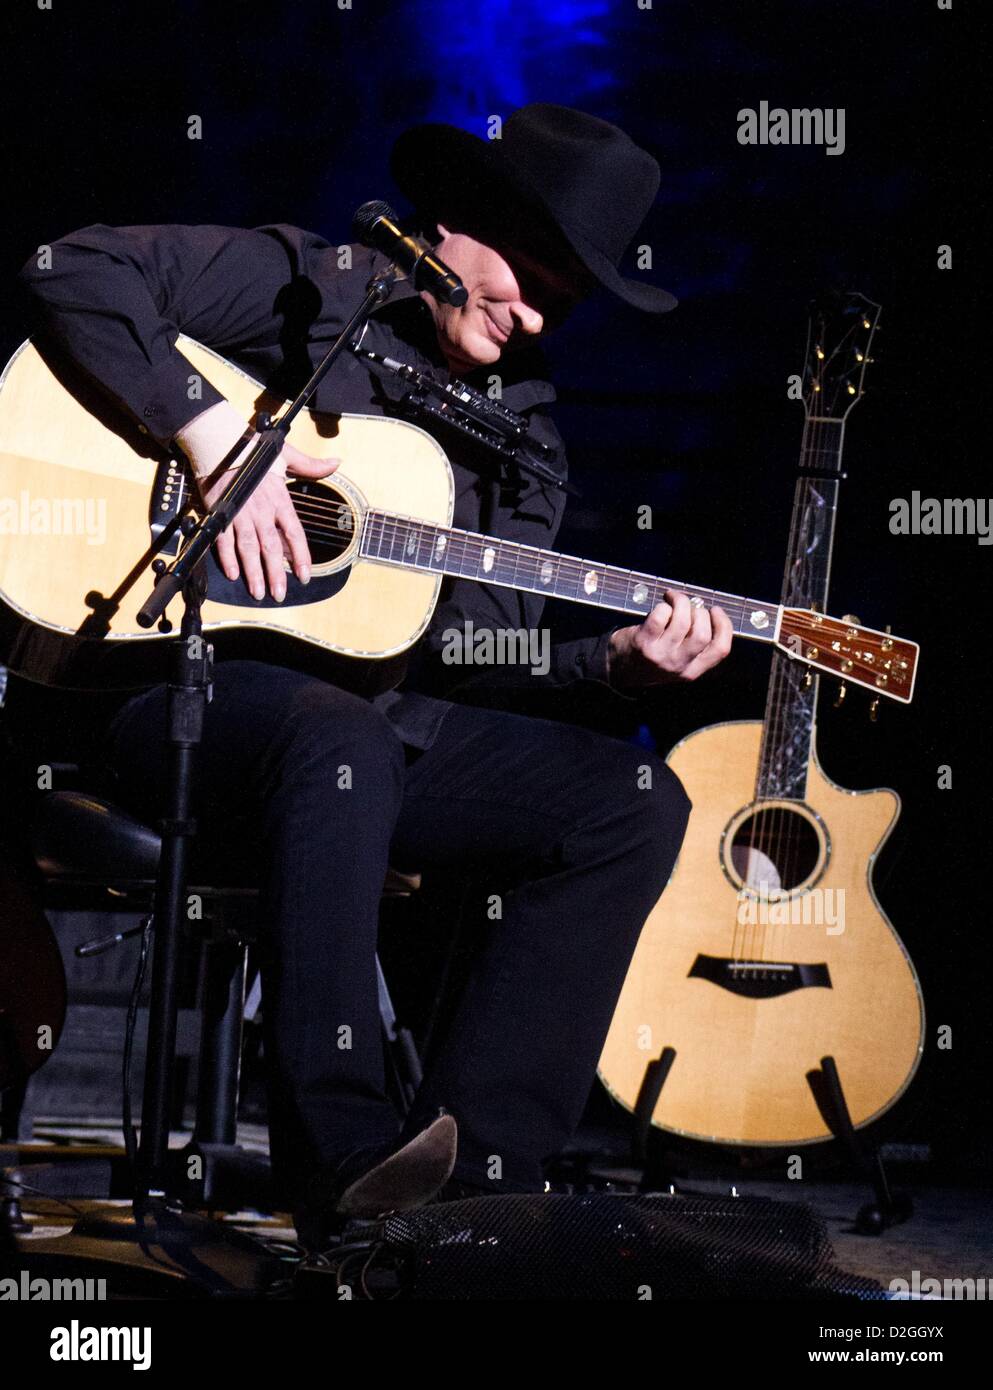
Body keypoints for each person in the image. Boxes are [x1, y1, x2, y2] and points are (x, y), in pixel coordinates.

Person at [18, 104, 732, 1245]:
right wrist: (209, 438)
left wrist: (614, 666)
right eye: (525, 273)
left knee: (634, 802)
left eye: (565, 299)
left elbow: (475, 660)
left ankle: (471, 1189)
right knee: (335, 737)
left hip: (364, 726)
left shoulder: (523, 441)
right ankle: (342, 1161)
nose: (533, 315)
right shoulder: (313, 292)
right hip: (151, 682)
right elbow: (69, 265)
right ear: (456, 228)